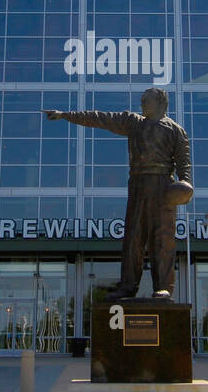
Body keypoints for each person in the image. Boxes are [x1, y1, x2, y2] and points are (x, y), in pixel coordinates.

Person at [44, 87, 191, 300]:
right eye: (141, 100)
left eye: (146, 100)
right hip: (138, 183)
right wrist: (65, 115)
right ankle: (128, 286)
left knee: (163, 239)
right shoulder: (134, 123)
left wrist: (185, 185)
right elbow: (100, 118)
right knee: (133, 238)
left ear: (160, 102)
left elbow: (184, 164)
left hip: (163, 187)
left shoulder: (176, 130)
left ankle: (163, 286)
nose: (142, 104)